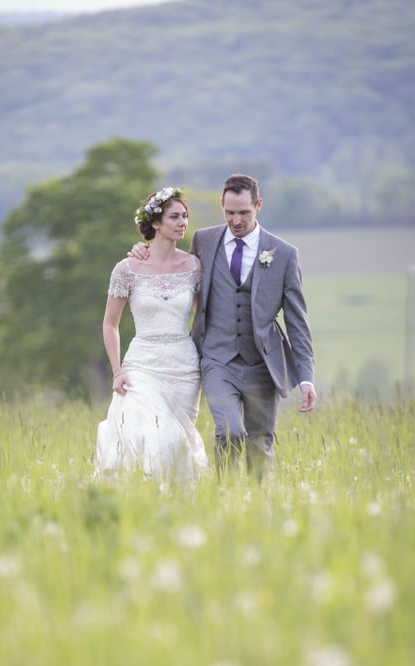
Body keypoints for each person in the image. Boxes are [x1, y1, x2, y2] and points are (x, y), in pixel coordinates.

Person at [130, 173, 316, 478]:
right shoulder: (204, 240)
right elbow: (175, 275)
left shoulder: (284, 254)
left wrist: (306, 377)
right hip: (217, 359)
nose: (236, 220)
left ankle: (257, 507)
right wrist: (143, 252)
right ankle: (226, 494)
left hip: (263, 363)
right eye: (229, 212)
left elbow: (297, 321)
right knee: (229, 431)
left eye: (244, 212)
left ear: (258, 205)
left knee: (260, 441)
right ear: (221, 206)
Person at [94, 186, 208, 485]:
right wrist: (117, 371)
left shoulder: (194, 267)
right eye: (174, 217)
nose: (182, 222)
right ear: (155, 223)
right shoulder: (127, 269)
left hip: (183, 367)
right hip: (142, 364)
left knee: (176, 443)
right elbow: (110, 324)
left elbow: (205, 315)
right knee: (152, 433)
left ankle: (173, 503)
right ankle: (134, 494)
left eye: (184, 216)